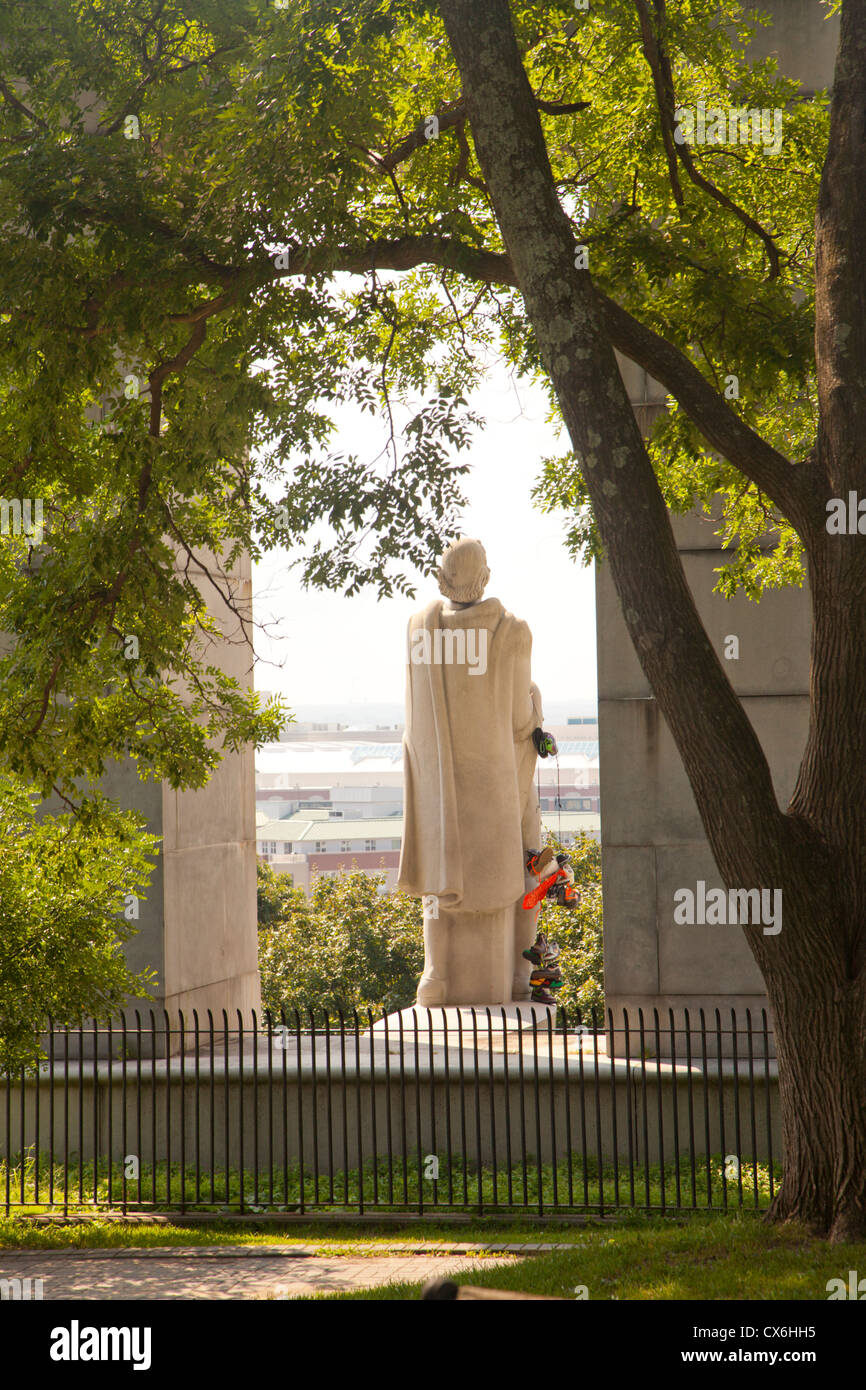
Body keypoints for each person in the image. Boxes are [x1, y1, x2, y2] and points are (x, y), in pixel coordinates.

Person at [397, 537, 544, 1005]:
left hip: (437, 791)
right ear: (485, 578)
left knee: (436, 875)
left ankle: (435, 972)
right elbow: (520, 722)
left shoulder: (418, 628)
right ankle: (521, 973)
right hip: (495, 786)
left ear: (442, 579)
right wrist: (537, 705)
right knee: (533, 858)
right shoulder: (511, 631)